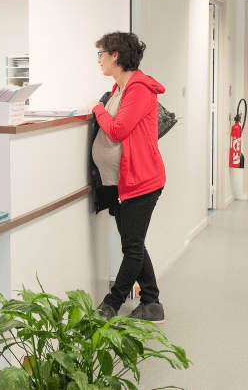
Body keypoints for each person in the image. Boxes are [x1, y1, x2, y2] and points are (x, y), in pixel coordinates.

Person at [90, 32, 167, 322]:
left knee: (132, 247)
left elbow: (118, 130)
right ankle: (152, 303)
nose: (98, 60)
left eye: (101, 54)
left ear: (116, 56)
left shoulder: (138, 89)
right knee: (133, 244)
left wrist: (97, 108)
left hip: (142, 181)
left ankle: (112, 303)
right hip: (125, 183)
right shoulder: (120, 88)